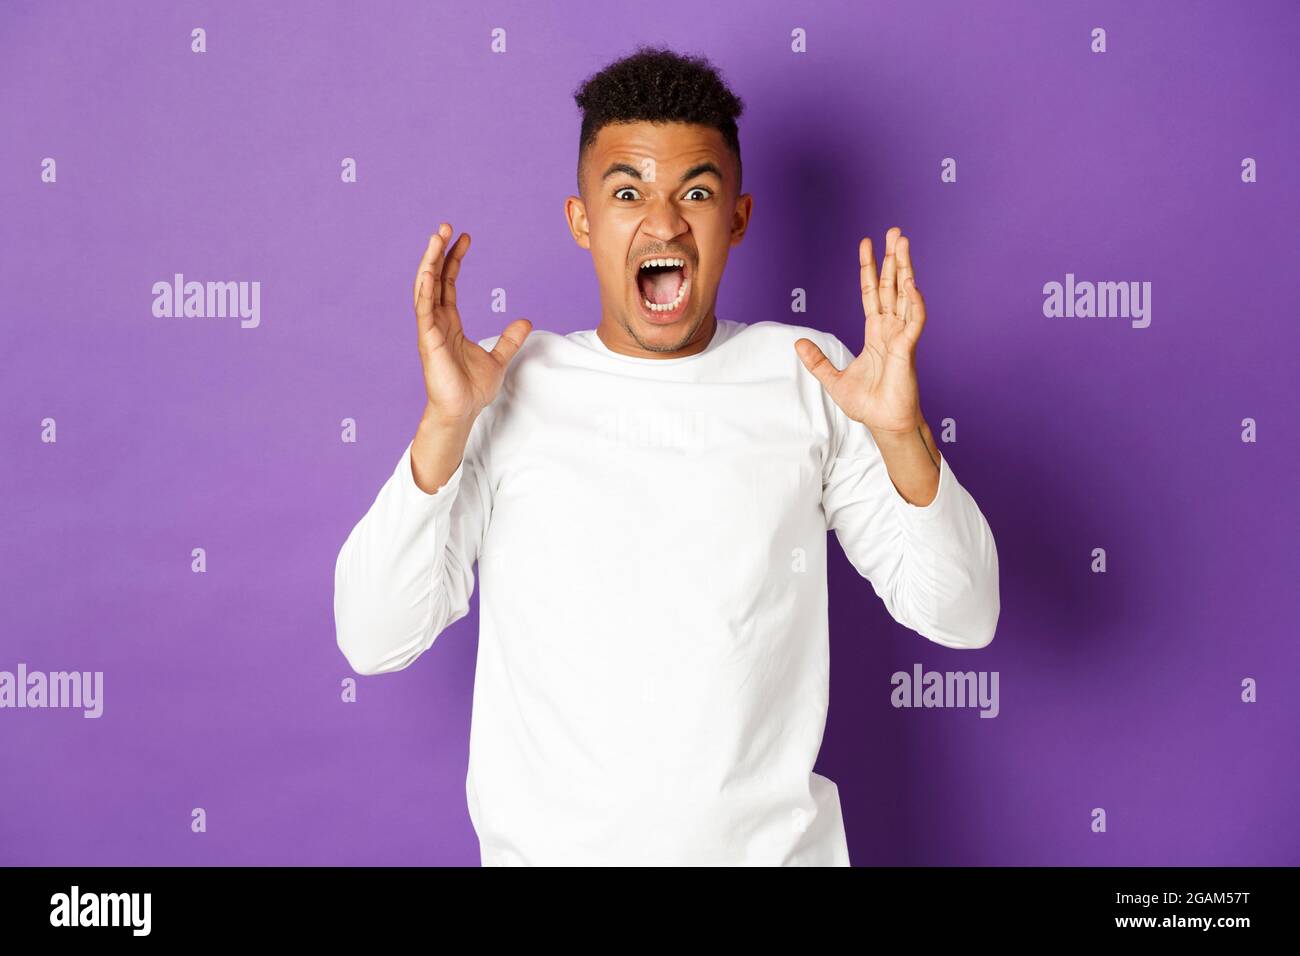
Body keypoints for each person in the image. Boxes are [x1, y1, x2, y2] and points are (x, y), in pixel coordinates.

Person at [333, 45, 1000, 866]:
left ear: (739, 218)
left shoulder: (813, 375)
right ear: (582, 221)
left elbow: (965, 617)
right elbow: (372, 636)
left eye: (696, 192)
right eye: (626, 193)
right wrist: (443, 423)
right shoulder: (504, 388)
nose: (664, 222)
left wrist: (903, 436)